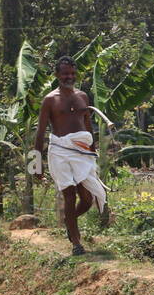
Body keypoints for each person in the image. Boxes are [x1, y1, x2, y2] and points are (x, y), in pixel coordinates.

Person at [34, 55, 105, 256]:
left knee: (87, 198)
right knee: (69, 194)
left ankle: (68, 220)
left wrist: (92, 149)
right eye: (65, 73)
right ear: (57, 75)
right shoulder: (50, 100)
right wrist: (36, 165)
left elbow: (88, 125)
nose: (69, 77)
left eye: (73, 73)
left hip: (82, 152)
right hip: (60, 152)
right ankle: (76, 243)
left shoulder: (83, 96)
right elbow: (40, 132)